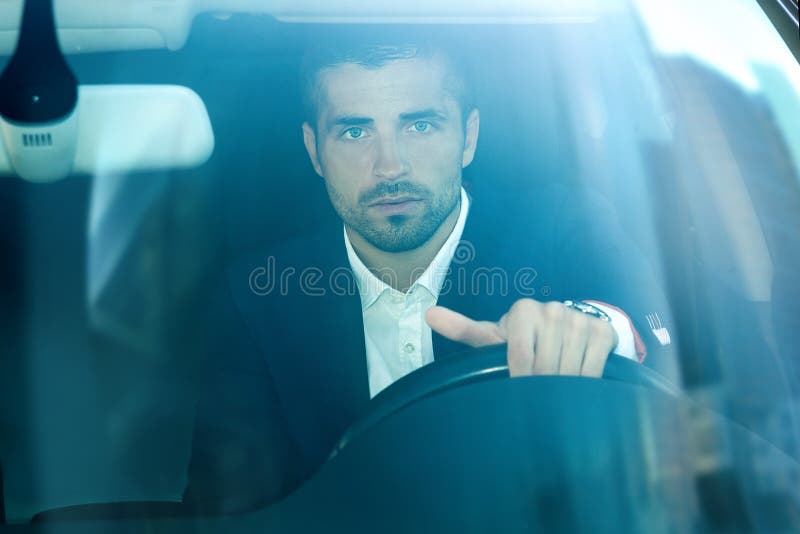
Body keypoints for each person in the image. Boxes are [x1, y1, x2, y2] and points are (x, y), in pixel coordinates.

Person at [184, 36, 671, 513]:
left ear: (468, 137)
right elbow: (224, 504)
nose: (389, 166)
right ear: (314, 151)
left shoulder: (560, 226)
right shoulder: (256, 297)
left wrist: (591, 326)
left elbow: (659, 334)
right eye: (355, 133)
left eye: (419, 126)